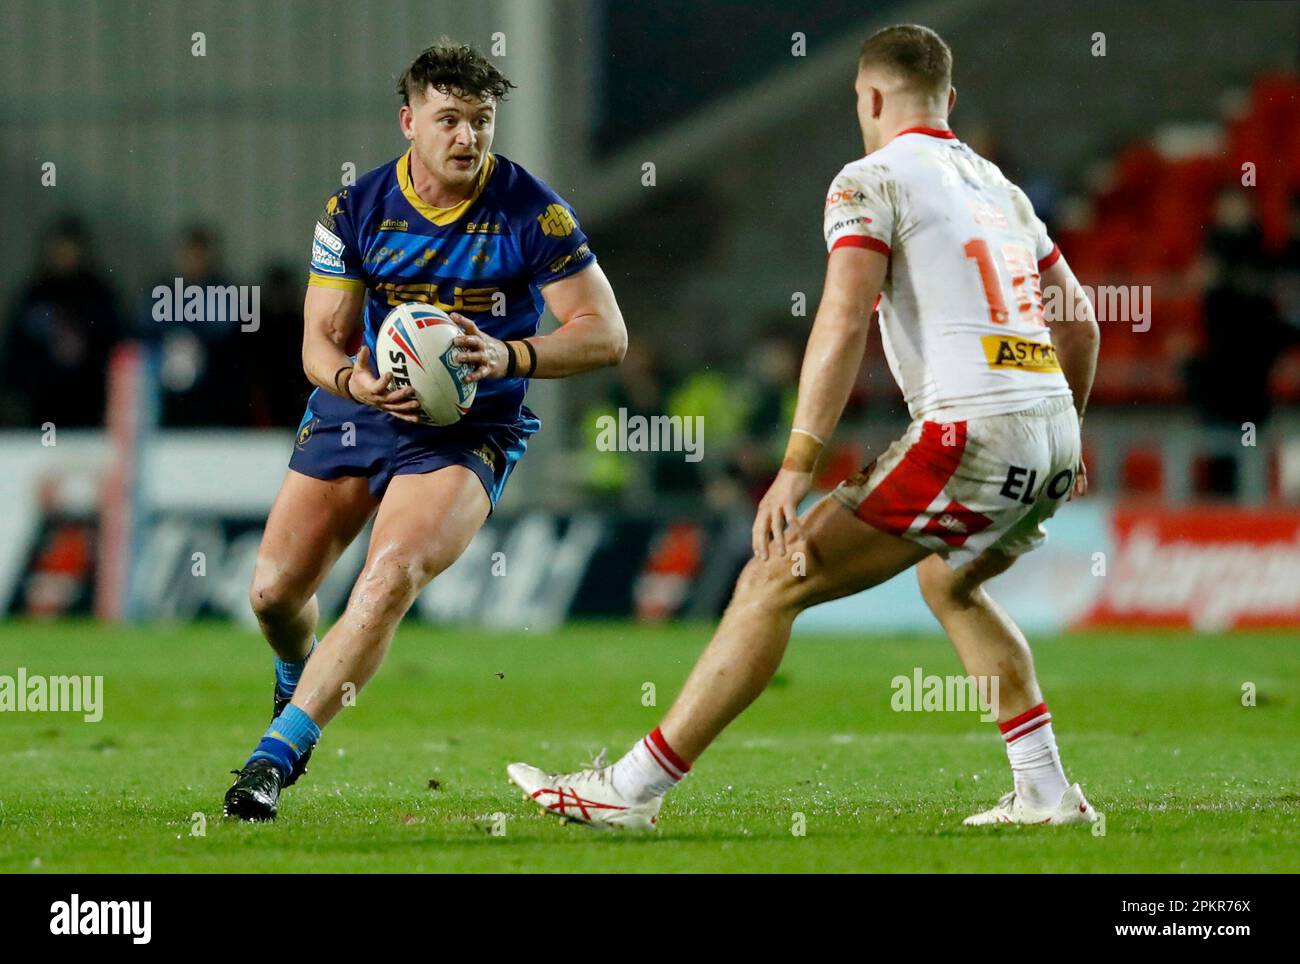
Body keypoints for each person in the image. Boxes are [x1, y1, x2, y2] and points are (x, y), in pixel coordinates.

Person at [508, 23, 1100, 830]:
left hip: (971, 430)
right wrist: (1065, 434)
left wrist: (795, 464)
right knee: (949, 579)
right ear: (949, 102)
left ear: (870, 98)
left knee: (773, 577)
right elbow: (1083, 325)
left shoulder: (869, 178)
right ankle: (1044, 792)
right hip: (1052, 429)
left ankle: (631, 790)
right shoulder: (1000, 185)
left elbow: (843, 316)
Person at [223, 40, 627, 820]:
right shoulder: (357, 209)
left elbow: (605, 334)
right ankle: (297, 674)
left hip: (468, 430)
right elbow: (317, 341)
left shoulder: (531, 212)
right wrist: (355, 381)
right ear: (410, 122)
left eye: (482, 120)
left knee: (390, 574)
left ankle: (272, 761)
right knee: (273, 593)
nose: (469, 138)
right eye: (450, 120)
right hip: (362, 406)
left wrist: (509, 353)